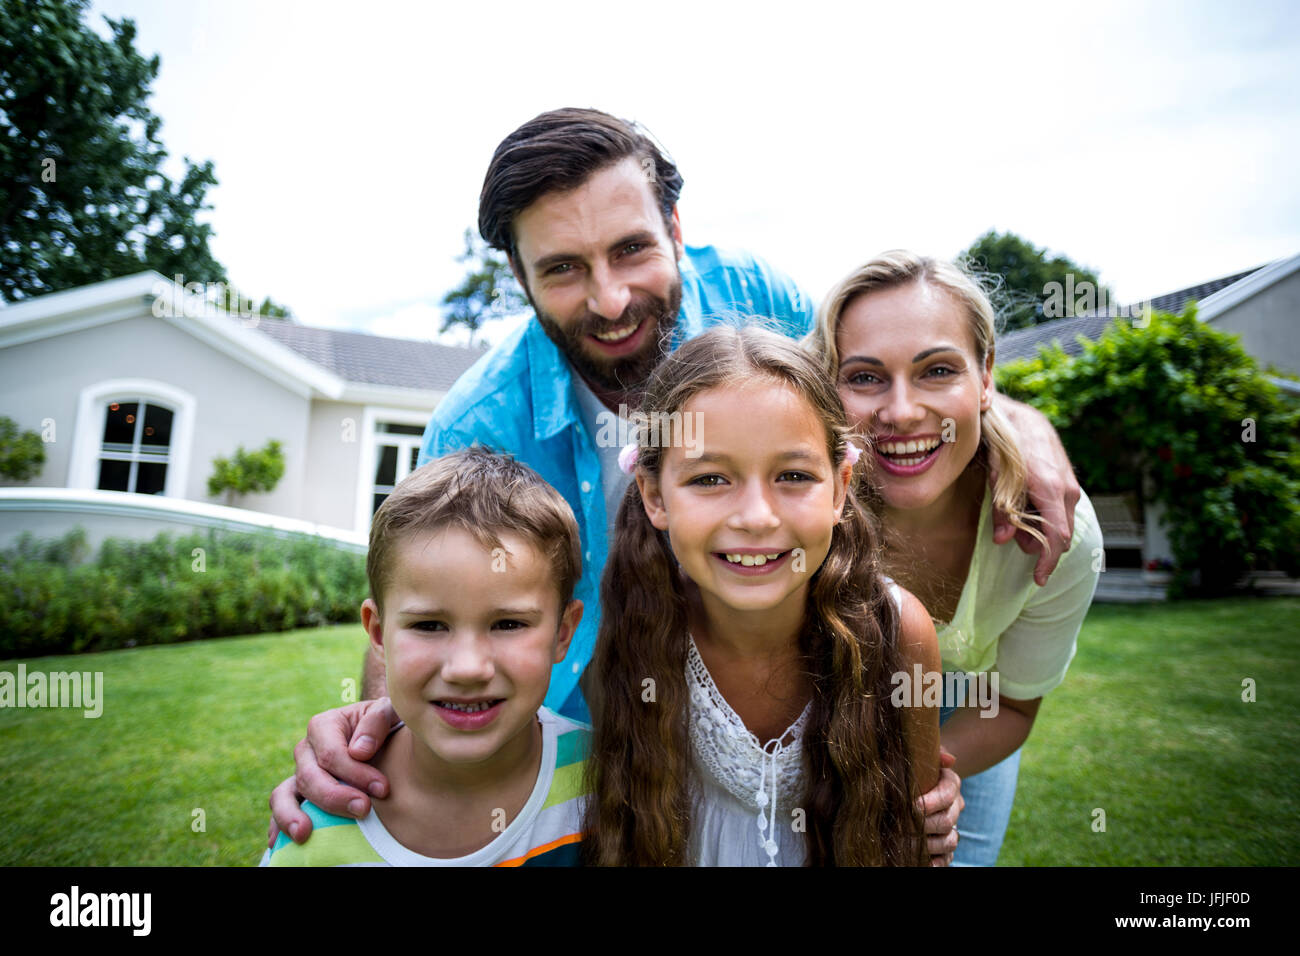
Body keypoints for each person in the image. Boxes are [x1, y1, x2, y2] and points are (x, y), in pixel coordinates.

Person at [268, 107, 1080, 859]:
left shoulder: (761, 301)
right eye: (562, 268)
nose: (611, 299)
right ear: (517, 278)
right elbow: (424, 579)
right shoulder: (476, 426)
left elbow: (891, 383)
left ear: (677, 229)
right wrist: (372, 733)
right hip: (638, 749)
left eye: (631, 249)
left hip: (864, 705)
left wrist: (1015, 421)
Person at [581, 323, 940, 865]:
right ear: (654, 495)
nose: (755, 518)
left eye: (793, 475)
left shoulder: (899, 633)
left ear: (841, 487)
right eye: (709, 480)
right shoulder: (629, 627)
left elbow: (914, 840)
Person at [806, 250, 1103, 865]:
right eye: (864, 377)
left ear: (986, 375)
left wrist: (906, 789)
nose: (903, 411)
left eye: (938, 370)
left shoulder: (1058, 534)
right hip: (834, 702)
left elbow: (1015, 703)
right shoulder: (803, 510)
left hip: (979, 707)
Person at [262, 448, 590, 866]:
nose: (468, 668)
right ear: (378, 633)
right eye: (429, 625)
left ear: (563, 632)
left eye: (508, 624)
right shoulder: (313, 836)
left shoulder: (612, 787)